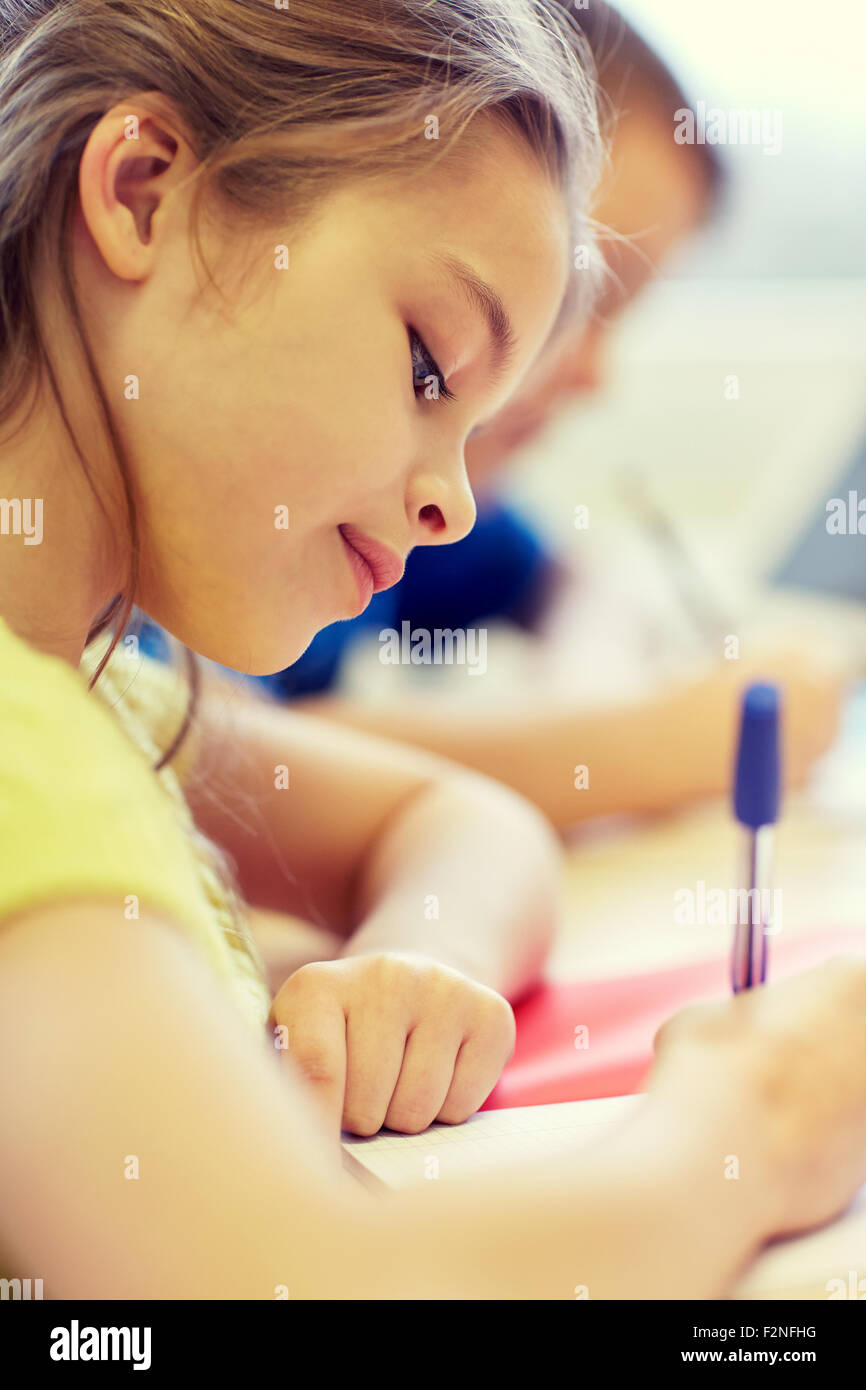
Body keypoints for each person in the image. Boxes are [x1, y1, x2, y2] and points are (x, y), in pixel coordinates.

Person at [2, 0, 866, 1302]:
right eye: (425, 366)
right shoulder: (24, 742)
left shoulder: (112, 695)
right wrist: (758, 1117)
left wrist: (418, 956)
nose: (454, 504)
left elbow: (457, 813)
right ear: (141, 190)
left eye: (475, 424)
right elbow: (309, 1286)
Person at [245, 1, 842, 830]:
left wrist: (592, 681)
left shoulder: (421, 501)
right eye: (581, 299)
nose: (593, 371)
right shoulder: (240, 492)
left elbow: (554, 574)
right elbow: (223, 768)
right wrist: (668, 742)